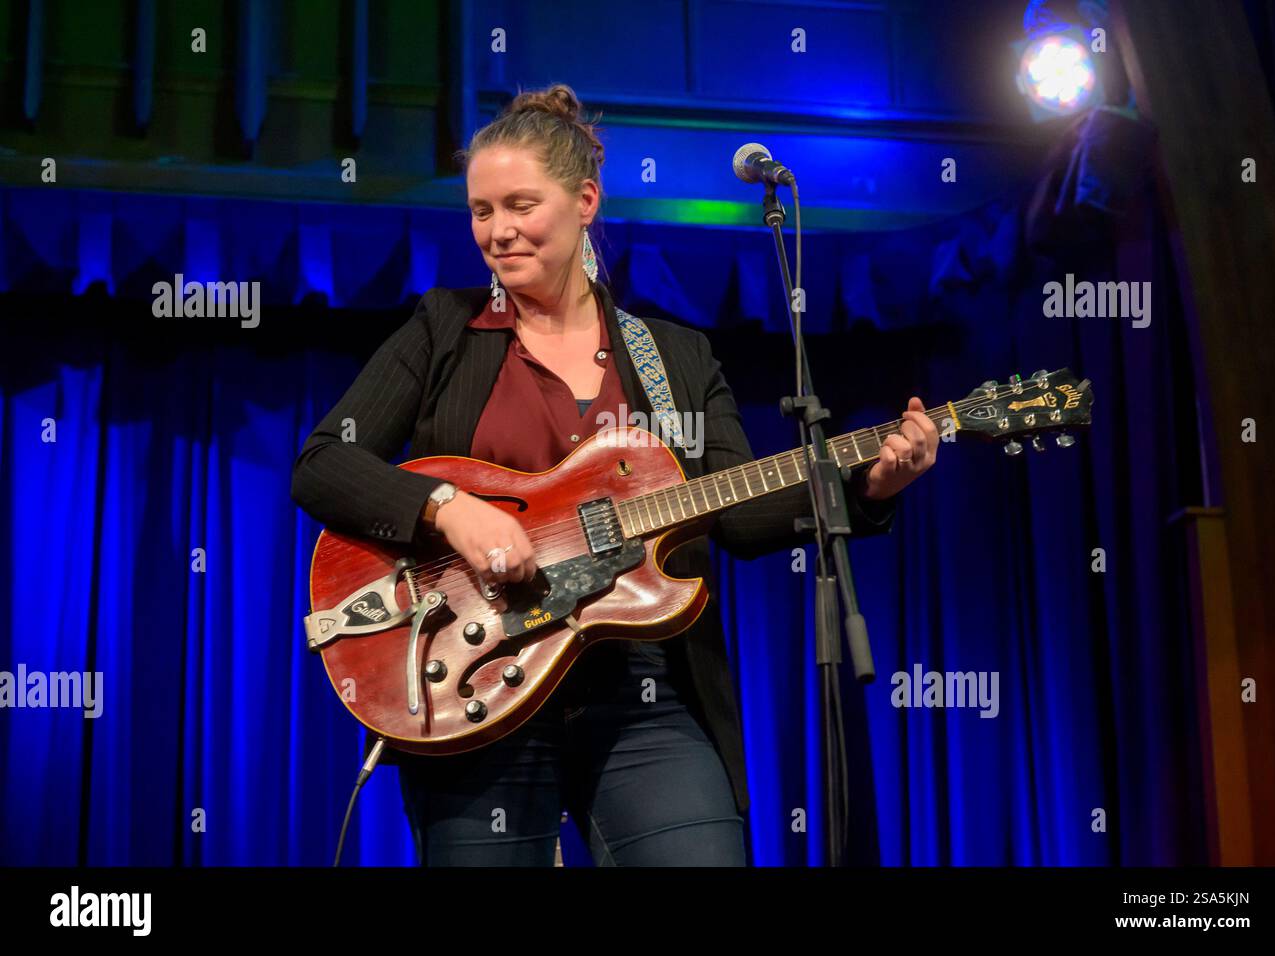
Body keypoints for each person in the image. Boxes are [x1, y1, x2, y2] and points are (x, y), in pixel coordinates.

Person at [290, 83, 938, 866]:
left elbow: (736, 515)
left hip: (643, 695)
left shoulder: (674, 356)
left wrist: (869, 488)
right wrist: (451, 510)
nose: (497, 232)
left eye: (520, 206)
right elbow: (324, 463)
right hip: (479, 685)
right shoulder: (443, 330)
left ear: (585, 200)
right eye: (480, 211)